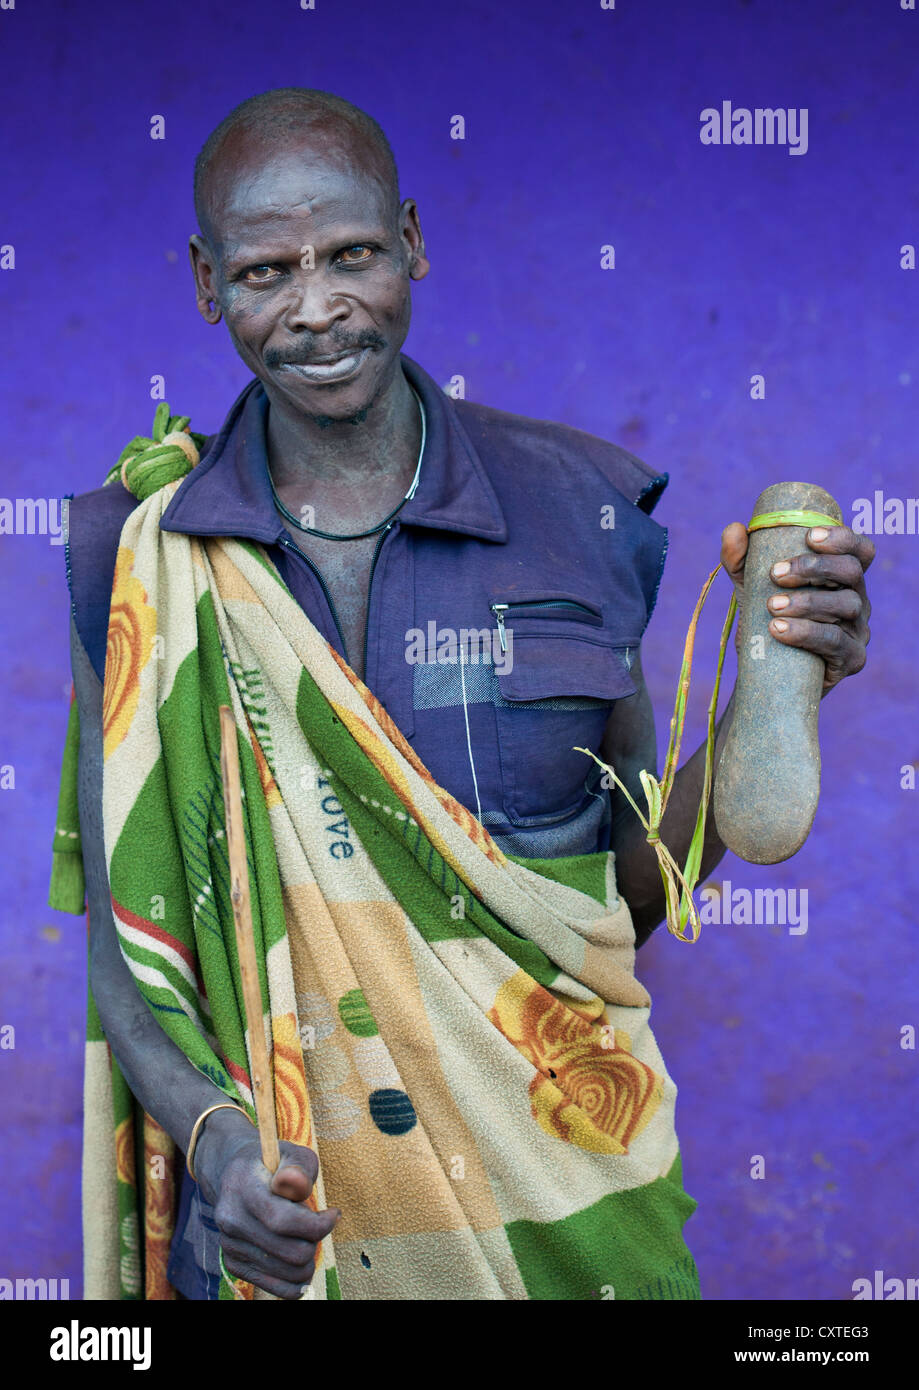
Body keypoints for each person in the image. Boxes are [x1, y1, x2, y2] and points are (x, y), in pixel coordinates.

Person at [61, 87, 874, 1300]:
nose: (317, 308)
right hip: (293, 1231)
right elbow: (129, 951)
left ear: (415, 245)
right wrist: (223, 1149)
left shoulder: (578, 512)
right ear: (203, 280)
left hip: (571, 1210)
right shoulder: (138, 550)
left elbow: (616, 894)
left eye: (353, 256)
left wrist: (774, 695)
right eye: (265, 272)